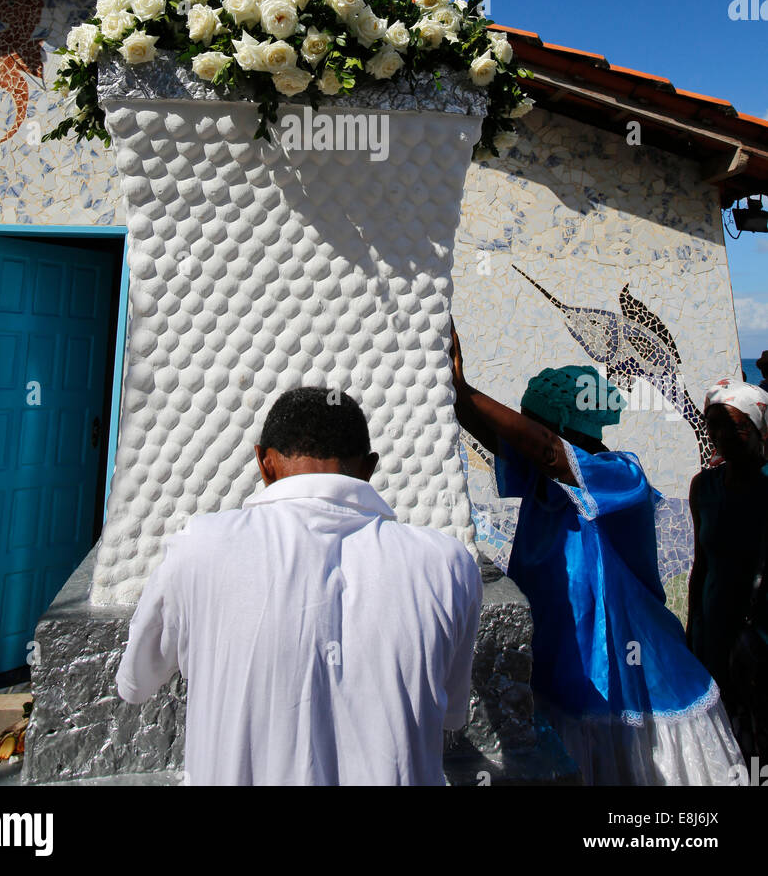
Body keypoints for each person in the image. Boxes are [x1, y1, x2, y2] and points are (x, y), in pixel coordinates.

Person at [116, 387, 483, 786]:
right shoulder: (449, 566)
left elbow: (135, 683)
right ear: (369, 468)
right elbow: (450, 715)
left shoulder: (199, 548)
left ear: (264, 463)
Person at [450, 325, 744, 785]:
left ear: (565, 426)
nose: (522, 433)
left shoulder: (619, 474)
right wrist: (453, 389)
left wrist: (466, 388)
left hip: (630, 669)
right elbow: (509, 440)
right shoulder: (540, 480)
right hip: (564, 665)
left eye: (534, 421)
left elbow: (546, 450)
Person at [687, 378, 768, 758]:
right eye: (713, 425)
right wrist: (693, 628)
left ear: (758, 428)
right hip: (715, 620)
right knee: (724, 731)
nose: (721, 436)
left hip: (760, 628)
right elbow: (701, 563)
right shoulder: (704, 487)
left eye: (734, 425)